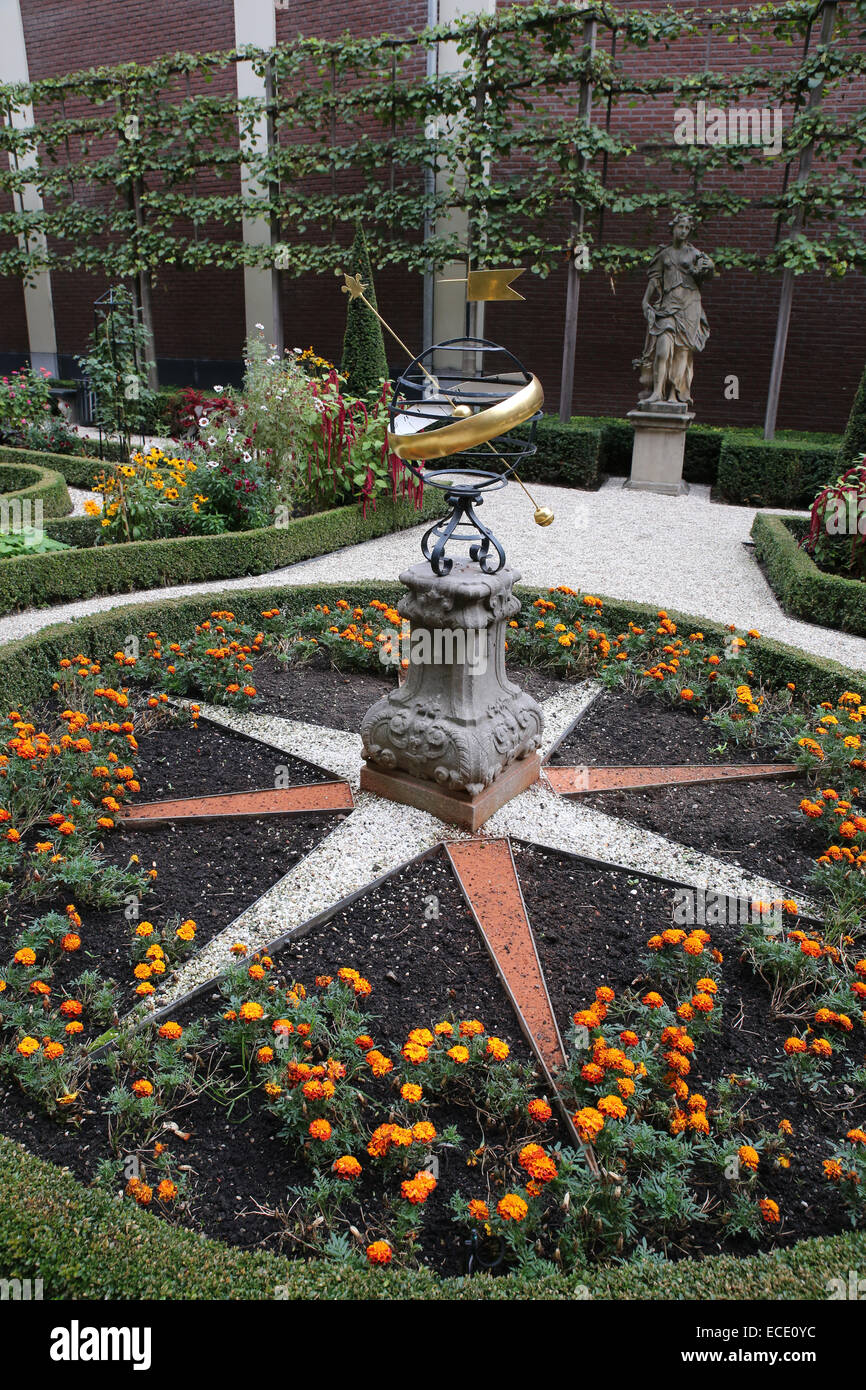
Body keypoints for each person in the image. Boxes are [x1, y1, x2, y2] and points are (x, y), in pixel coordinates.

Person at [635, 212, 714, 406]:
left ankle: (674, 394)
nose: (684, 232)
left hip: (689, 306)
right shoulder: (664, 254)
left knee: (681, 352)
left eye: (687, 228)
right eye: (681, 227)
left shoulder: (695, 254)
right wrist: (645, 301)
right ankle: (656, 392)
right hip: (668, 306)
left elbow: (707, 273)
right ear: (673, 228)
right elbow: (654, 280)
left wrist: (709, 267)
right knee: (662, 349)